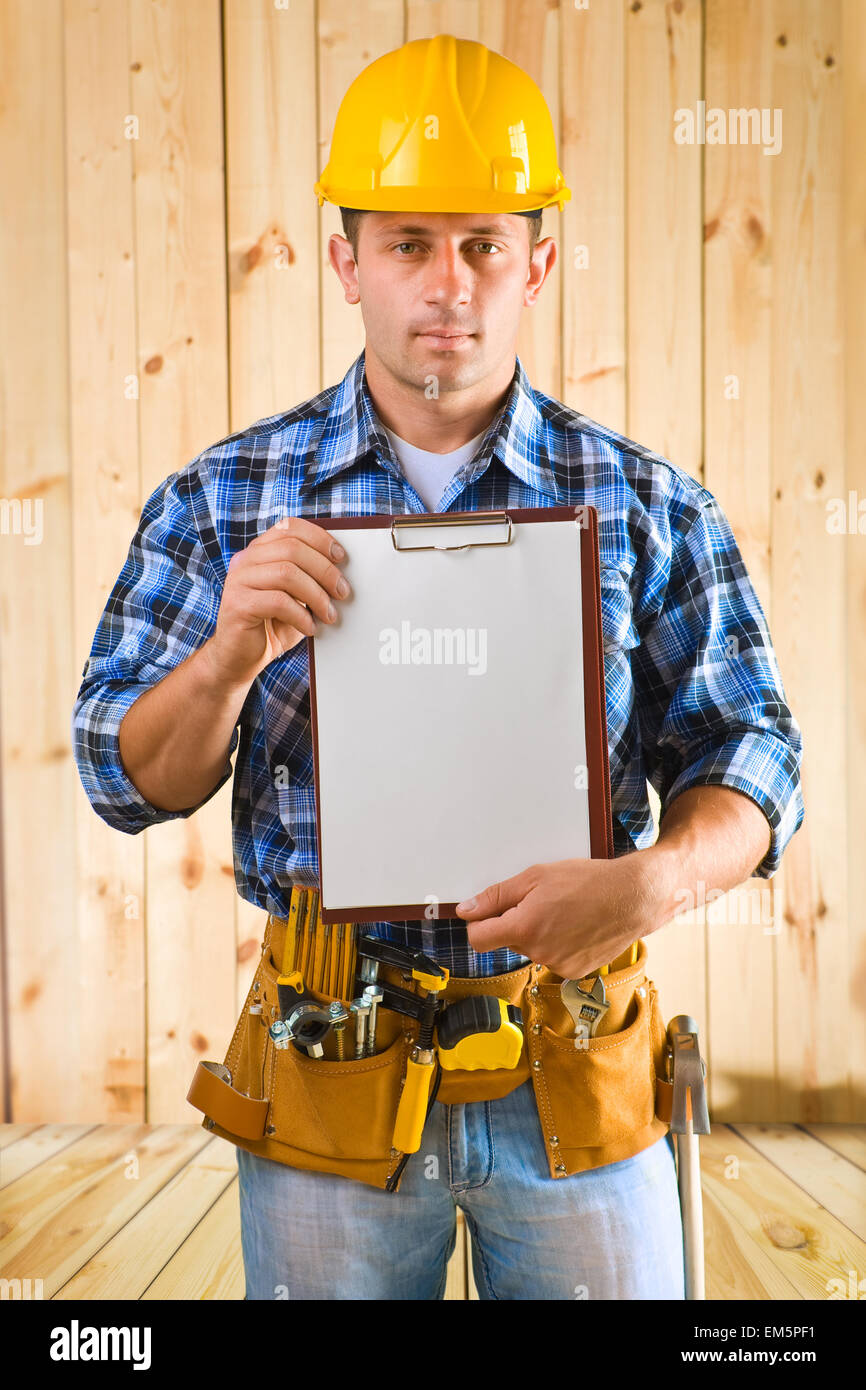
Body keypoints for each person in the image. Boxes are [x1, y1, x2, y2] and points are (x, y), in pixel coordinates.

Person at [71, 35, 804, 1300]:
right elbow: (126, 776)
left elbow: (754, 748)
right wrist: (225, 662)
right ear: (348, 261)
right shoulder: (222, 499)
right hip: (328, 1075)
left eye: (482, 244)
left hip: (573, 1064)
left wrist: (654, 881)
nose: (448, 285)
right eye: (408, 244)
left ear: (539, 263)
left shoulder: (647, 505)